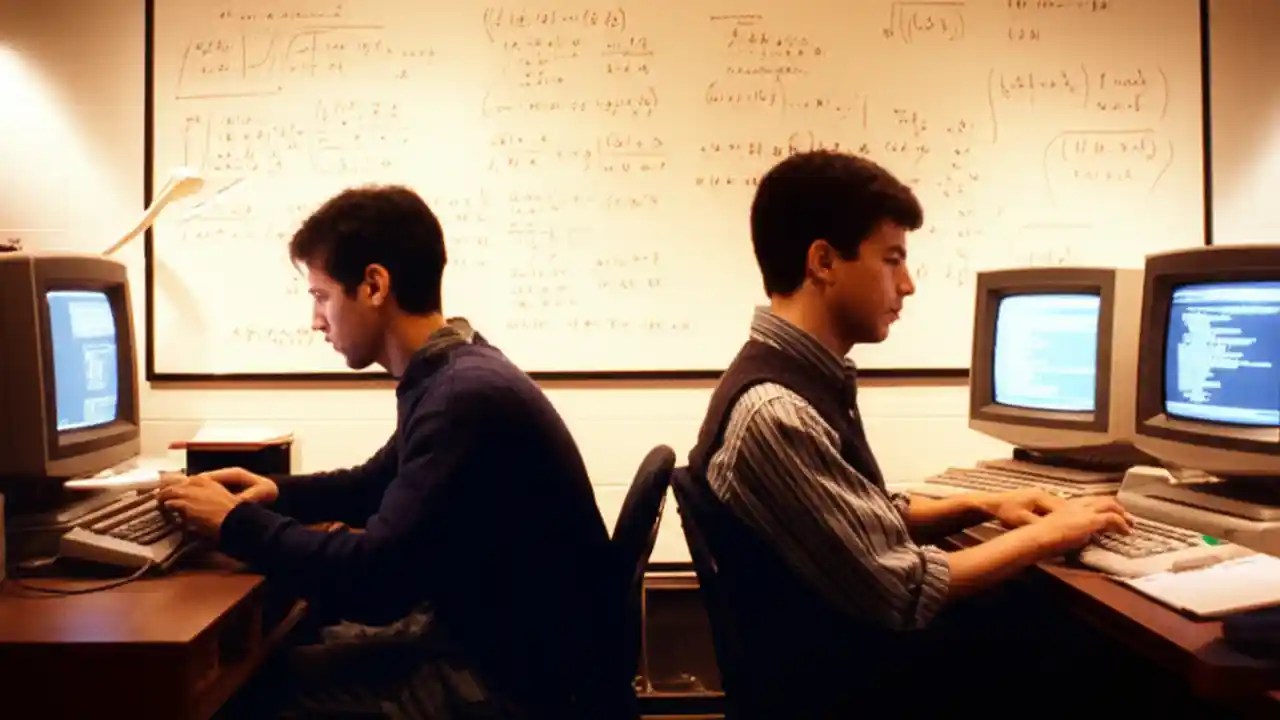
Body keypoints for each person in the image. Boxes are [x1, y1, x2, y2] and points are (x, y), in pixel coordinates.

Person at [684, 150, 1137, 714]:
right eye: (892, 260)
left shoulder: (797, 380)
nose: (909, 284)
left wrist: (985, 504)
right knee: (1097, 650)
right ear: (824, 262)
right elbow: (905, 588)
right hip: (852, 688)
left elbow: (863, 515)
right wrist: (1051, 534)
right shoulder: (775, 412)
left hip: (846, 664)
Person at [159, 185, 626, 719]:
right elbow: (376, 480)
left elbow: (376, 580)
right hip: (510, 649)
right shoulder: (455, 371)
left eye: (321, 296)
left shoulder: (460, 398)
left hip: (508, 682)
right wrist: (274, 494)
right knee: (284, 653)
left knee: (247, 700)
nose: (316, 321)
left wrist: (236, 524)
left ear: (374, 285)